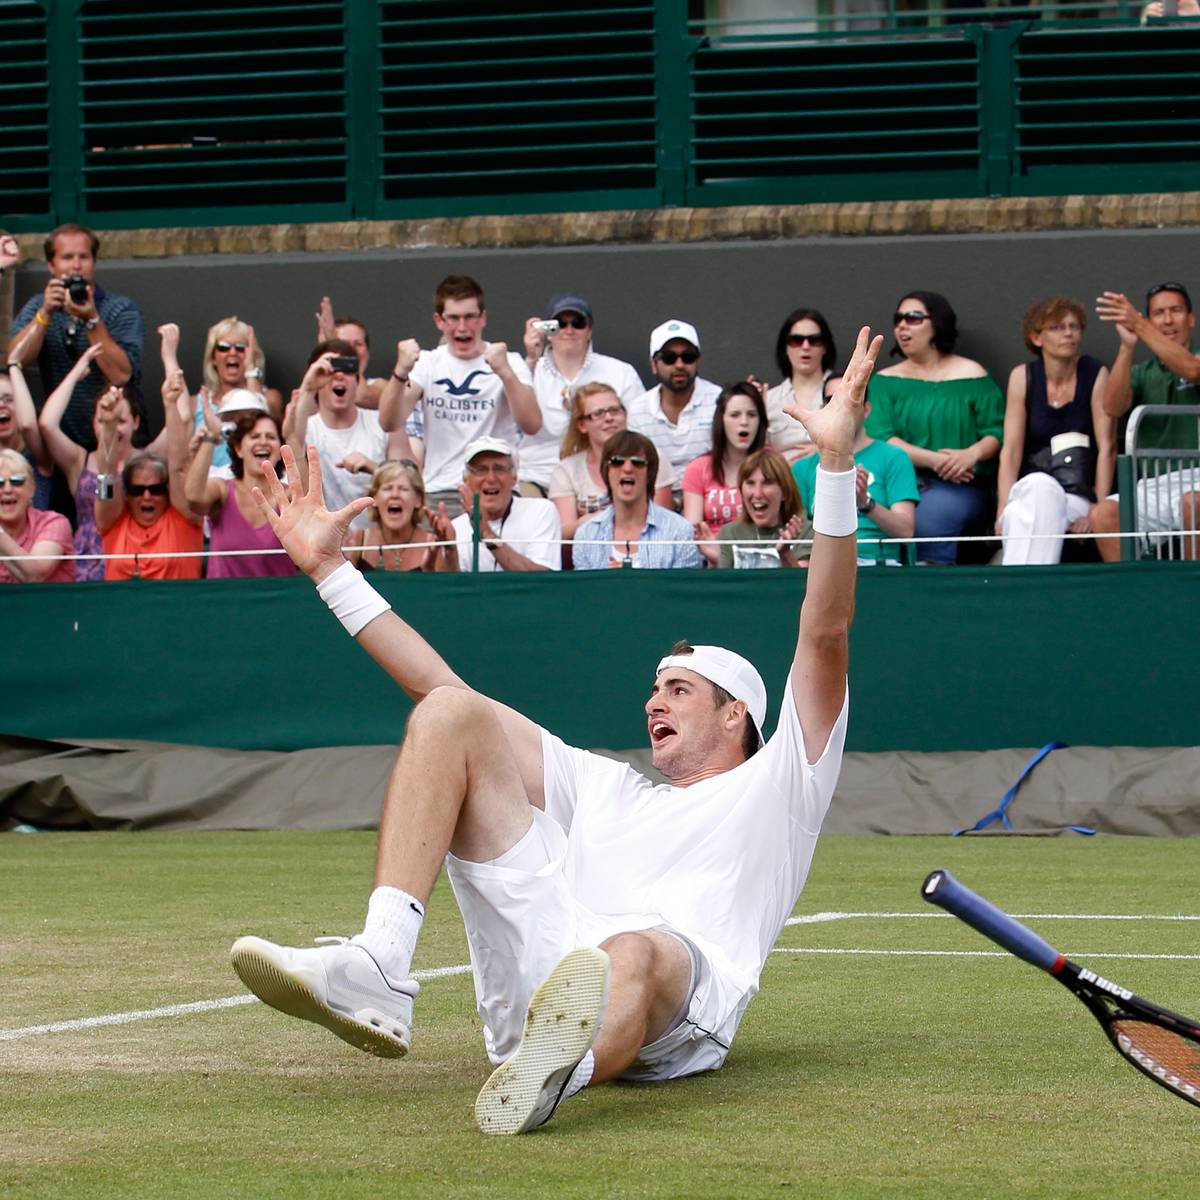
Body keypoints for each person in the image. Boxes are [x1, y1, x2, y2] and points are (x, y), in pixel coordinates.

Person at [230, 324, 882, 1136]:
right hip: (550, 971)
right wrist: (332, 573)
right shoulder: (611, 789)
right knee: (450, 712)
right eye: (653, 690)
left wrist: (835, 466)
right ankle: (381, 963)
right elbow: (441, 690)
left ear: (736, 714)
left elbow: (824, 633)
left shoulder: (783, 783)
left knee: (639, 950)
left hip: (676, 990)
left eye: (679, 690)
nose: (655, 702)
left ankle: (554, 1078)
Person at [379, 275, 540, 517]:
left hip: (494, 489)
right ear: (439, 321)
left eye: (470, 317)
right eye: (453, 318)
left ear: (483, 318)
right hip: (440, 491)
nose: (462, 327)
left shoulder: (510, 362)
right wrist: (400, 372)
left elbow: (532, 424)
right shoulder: (427, 363)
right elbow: (389, 421)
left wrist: (504, 371)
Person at [864, 291, 1004, 564]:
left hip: (963, 486)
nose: (902, 325)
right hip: (900, 483)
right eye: (898, 319)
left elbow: (996, 431)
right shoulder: (884, 382)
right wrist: (937, 460)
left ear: (937, 323)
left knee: (932, 516)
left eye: (913, 318)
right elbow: (882, 436)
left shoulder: (972, 375)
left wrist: (971, 454)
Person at [995, 298, 1114, 565]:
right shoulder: (1022, 377)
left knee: (1025, 512)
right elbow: (1011, 450)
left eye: (1074, 327)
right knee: (1027, 500)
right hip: (1029, 490)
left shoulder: (1095, 374)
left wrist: (1098, 508)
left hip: (1076, 497)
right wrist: (1001, 507)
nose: (1069, 333)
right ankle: (1035, 586)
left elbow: (1107, 447)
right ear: (1036, 337)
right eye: (1057, 327)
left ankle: (1020, 588)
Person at [8, 224, 143, 448]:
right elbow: (15, 359)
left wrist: (92, 319)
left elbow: (121, 375)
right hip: (61, 441)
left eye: (84, 257)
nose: (76, 266)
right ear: (52, 265)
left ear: (94, 262)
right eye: (67, 257)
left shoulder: (121, 308)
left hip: (116, 438)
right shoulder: (38, 307)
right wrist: (45, 314)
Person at [1092, 281, 1200, 561]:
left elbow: (1192, 369)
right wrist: (1127, 348)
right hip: (1155, 482)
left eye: (1175, 311)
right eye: (1158, 313)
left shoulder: (1196, 359)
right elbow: (1113, 407)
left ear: (1191, 318)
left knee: (1194, 504)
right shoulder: (1143, 371)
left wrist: (1139, 325)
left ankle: (1191, 598)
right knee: (1104, 515)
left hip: (1197, 479)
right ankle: (1131, 601)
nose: (1167, 320)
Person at [516, 293, 644, 494]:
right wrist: (531, 358)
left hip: (602, 477)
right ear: (547, 330)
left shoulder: (620, 372)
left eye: (577, 323)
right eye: (560, 323)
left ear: (589, 330)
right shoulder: (529, 369)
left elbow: (638, 430)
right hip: (537, 477)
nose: (569, 330)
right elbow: (512, 425)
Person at [38, 343, 140, 582]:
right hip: (86, 565)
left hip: (128, 562)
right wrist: (75, 374)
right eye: (103, 419)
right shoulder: (79, 460)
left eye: (120, 420)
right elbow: (46, 424)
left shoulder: (147, 459)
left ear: (136, 422)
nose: (112, 427)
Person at [795, 383, 918, 565]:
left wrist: (865, 504)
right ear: (822, 409)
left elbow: (905, 530)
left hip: (879, 565)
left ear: (866, 409)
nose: (841, 407)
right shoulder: (802, 467)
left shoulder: (894, 457)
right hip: (823, 564)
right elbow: (797, 533)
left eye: (851, 400)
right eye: (832, 401)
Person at [291, 339, 405, 534]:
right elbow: (293, 444)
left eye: (347, 369)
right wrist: (308, 387)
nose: (340, 376)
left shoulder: (382, 424)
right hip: (325, 548)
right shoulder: (306, 428)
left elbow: (409, 486)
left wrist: (375, 469)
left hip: (377, 545)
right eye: (330, 370)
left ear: (359, 379)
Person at [96, 371, 201, 581]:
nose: (146, 496)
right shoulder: (114, 521)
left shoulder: (183, 518)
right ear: (126, 494)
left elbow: (179, 467)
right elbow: (106, 477)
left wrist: (171, 405)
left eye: (156, 489)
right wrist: (109, 426)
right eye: (136, 490)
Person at [184, 396, 299, 579]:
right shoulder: (222, 490)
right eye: (254, 436)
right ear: (238, 449)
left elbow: (309, 504)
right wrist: (211, 437)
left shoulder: (289, 496)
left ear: (280, 449)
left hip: (279, 603)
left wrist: (292, 437)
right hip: (225, 602)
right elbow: (194, 498)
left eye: (270, 437)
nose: (263, 441)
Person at [548, 383, 675, 540]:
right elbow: (563, 533)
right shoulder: (566, 470)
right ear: (582, 425)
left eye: (615, 411)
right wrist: (599, 520)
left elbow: (664, 523)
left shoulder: (653, 458)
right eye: (599, 413)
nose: (609, 418)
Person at [159, 320, 284, 474]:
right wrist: (169, 357)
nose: (232, 353)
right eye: (224, 347)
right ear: (212, 357)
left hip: (255, 487)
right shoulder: (195, 404)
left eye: (240, 348)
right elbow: (176, 453)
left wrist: (251, 369)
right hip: (208, 489)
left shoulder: (269, 397)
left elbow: (256, 417)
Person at [572, 432, 702, 571]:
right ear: (606, 471)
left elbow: (682, 590)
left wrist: (632, 580)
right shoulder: (586, 534)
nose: (627, 469)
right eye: (617, 461)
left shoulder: (679, 531)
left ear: (650, 473)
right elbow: (584, 591)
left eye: (638, 462)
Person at [431, 437, 561, 573]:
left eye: (499, 469)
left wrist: (487, 534)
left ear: (514, 478)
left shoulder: (541, 512)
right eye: (481, 470)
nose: (491, 478)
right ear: (466, 480)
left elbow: (542, 581)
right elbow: (453, 588)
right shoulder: (457, 527)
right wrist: (450, 551)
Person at [627, 320, 723, 483]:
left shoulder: (718, 401)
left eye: (688, 357)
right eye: (669, 358)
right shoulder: (638, 410)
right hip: (655, 498)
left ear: (698, 361)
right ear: (653, 365)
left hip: (709, 497)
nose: (679, 365)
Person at [682, 383, 768, 566]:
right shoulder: (698, 468)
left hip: (760, 562)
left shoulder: (773, 463)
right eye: (735, 415)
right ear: (721, 420)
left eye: (751, 415)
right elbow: (693, 530)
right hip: (710, 565)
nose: (744, 422)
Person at [765, 309, 842, 462]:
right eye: (796, 340)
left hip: (830, 476)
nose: (805, 346)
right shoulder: (769, 400)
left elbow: (864, 437)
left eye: (814, 340)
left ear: (825, 347)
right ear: (785, 348)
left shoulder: (843, 392)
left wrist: (824, 450)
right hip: (783, 482)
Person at [716, 449, 811, 569]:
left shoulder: (806, 532)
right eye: (750, 483)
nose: (758, 493)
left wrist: (785, 554)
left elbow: (802, 585)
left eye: (767, 483)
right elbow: (724, 585)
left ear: (785, 492)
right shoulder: (729, 533)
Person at [344, 460, 437, 573]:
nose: (395, 495)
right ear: (374, 498)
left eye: (403, 489)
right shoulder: (359, 540)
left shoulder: (432, 543)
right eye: (387, 488)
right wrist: (342, 560)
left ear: (418, 500)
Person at [0, 447, 74, 583]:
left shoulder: (55, 523)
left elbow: (34, 575)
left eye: (17, 481)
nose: (8, 489)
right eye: (0, 483)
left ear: (32, 488)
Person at [1, 362, 52, 509]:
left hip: (37, 532)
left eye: (8, 399)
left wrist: (14, 365)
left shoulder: (35, 455)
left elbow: (27, 425)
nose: (1, 405)